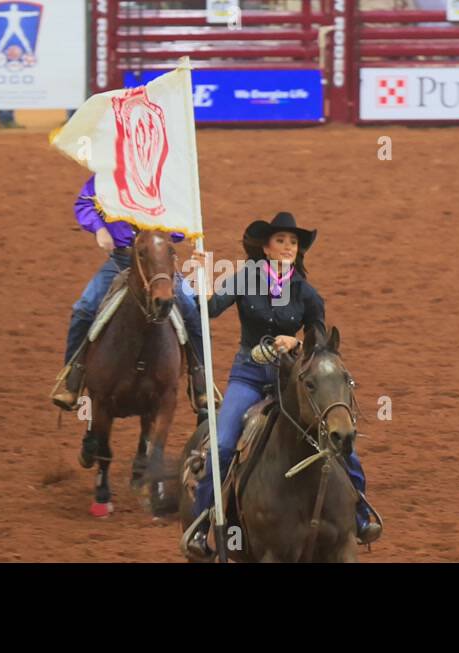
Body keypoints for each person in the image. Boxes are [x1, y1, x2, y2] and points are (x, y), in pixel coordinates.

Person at [186, 212, 381, 558]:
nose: (288, 247)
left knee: (340, 438)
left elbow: (320, 340)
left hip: (292, 382)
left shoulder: (306, 292)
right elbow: (209, 309)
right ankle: (202, 525)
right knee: (224, 443)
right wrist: (198, 280)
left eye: (293, 242)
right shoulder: (244, 279)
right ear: (266, 247)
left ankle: (362, 513)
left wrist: (297, 343)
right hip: (248, 376)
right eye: (281, 241)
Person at [51, 175, 210, 416]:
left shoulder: (165, 176)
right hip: (122, 258)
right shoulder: (107, 174)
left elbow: (182, 219)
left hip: (158, 262)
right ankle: (73, 378)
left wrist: (173, 230)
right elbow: (85, 203)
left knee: (191, 309)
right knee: (84, 308)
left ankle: (201, 381)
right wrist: (100, 229)